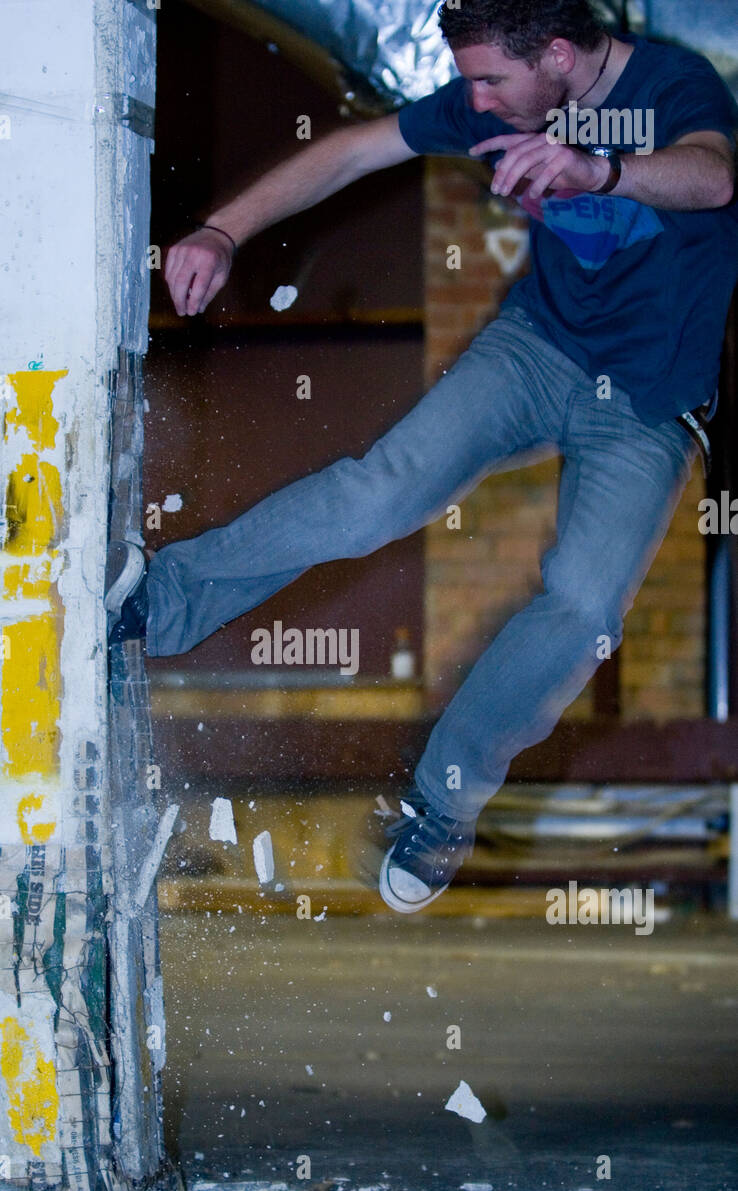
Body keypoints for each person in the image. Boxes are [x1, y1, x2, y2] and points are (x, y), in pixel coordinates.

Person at [106, 0, 738, 914]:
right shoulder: (491, 100)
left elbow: (712, 178)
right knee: (379, 494)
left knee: (588, 599)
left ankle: (442, 802)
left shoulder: (673, 82)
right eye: (470, 81)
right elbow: (355, 151)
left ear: (558, 54)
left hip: (648, 400)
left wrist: (597, 166)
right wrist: (222, 229)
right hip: (537, 352)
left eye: (491, 80)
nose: (475, 99)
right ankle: (161, 602)